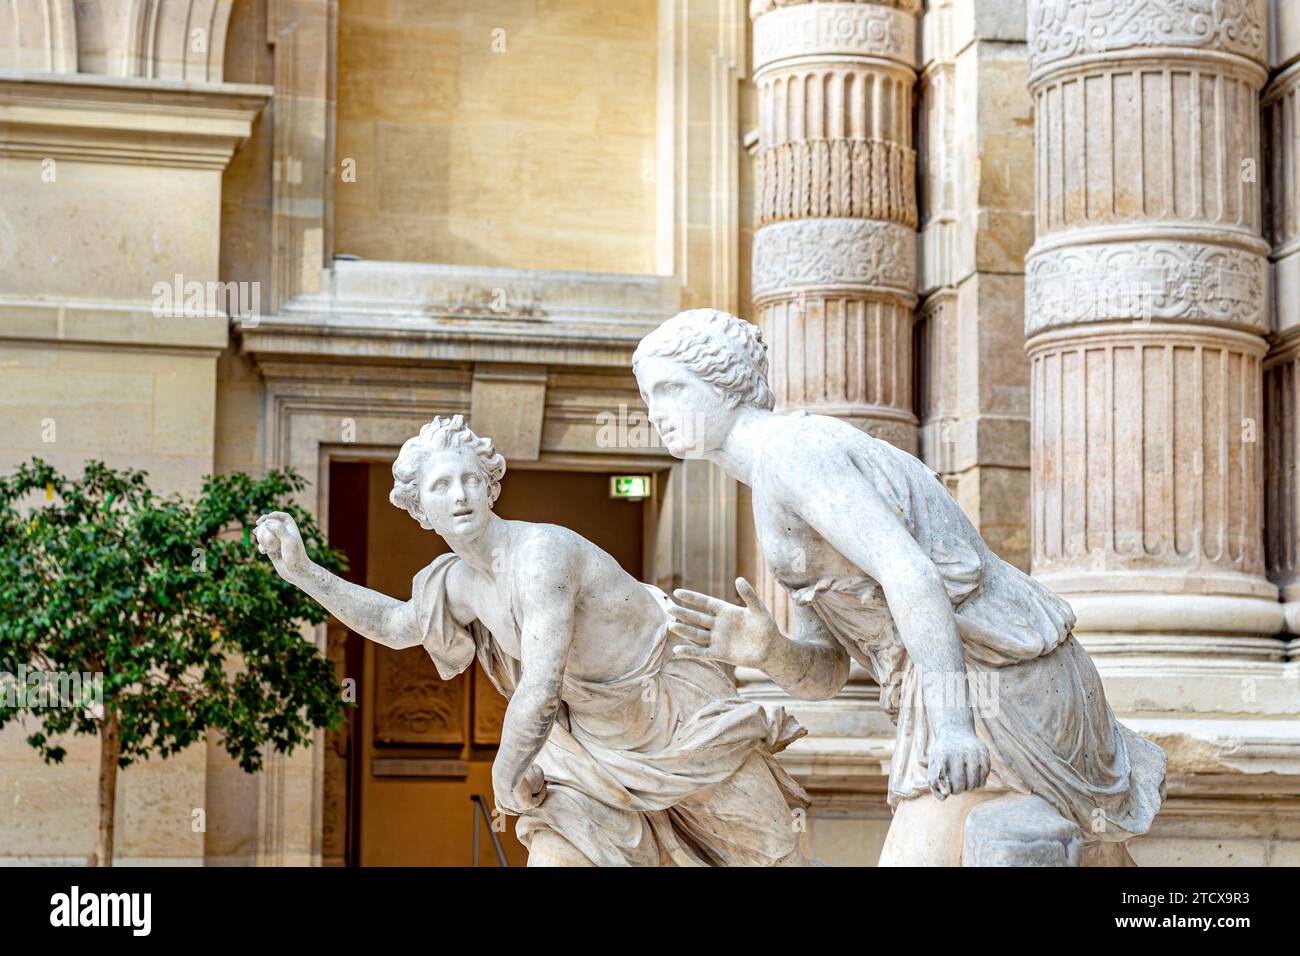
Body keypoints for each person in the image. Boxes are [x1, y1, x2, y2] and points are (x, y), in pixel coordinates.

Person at [633, 308, 1166, 865]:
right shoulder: (771, 482)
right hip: (961, 683)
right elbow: (829, 671)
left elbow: (909, 572)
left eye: (671, 388)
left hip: (996, 675)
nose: (655, 413)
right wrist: (768, 650)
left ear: (724, 380)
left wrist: (955, 726)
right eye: (648, 397)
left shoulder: (793, 453)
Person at [253, 414, 808, 866]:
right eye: (441, 486)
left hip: (675, 717)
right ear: (421, 509)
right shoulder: (461, 582)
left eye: (470, 479)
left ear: (490, 485)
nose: (461, 494)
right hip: (586, 743)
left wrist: (506, 778)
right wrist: (304, 573)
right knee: (555, 859)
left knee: (771, 857)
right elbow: (397, 626)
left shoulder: (541, 556)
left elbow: (541, 684)